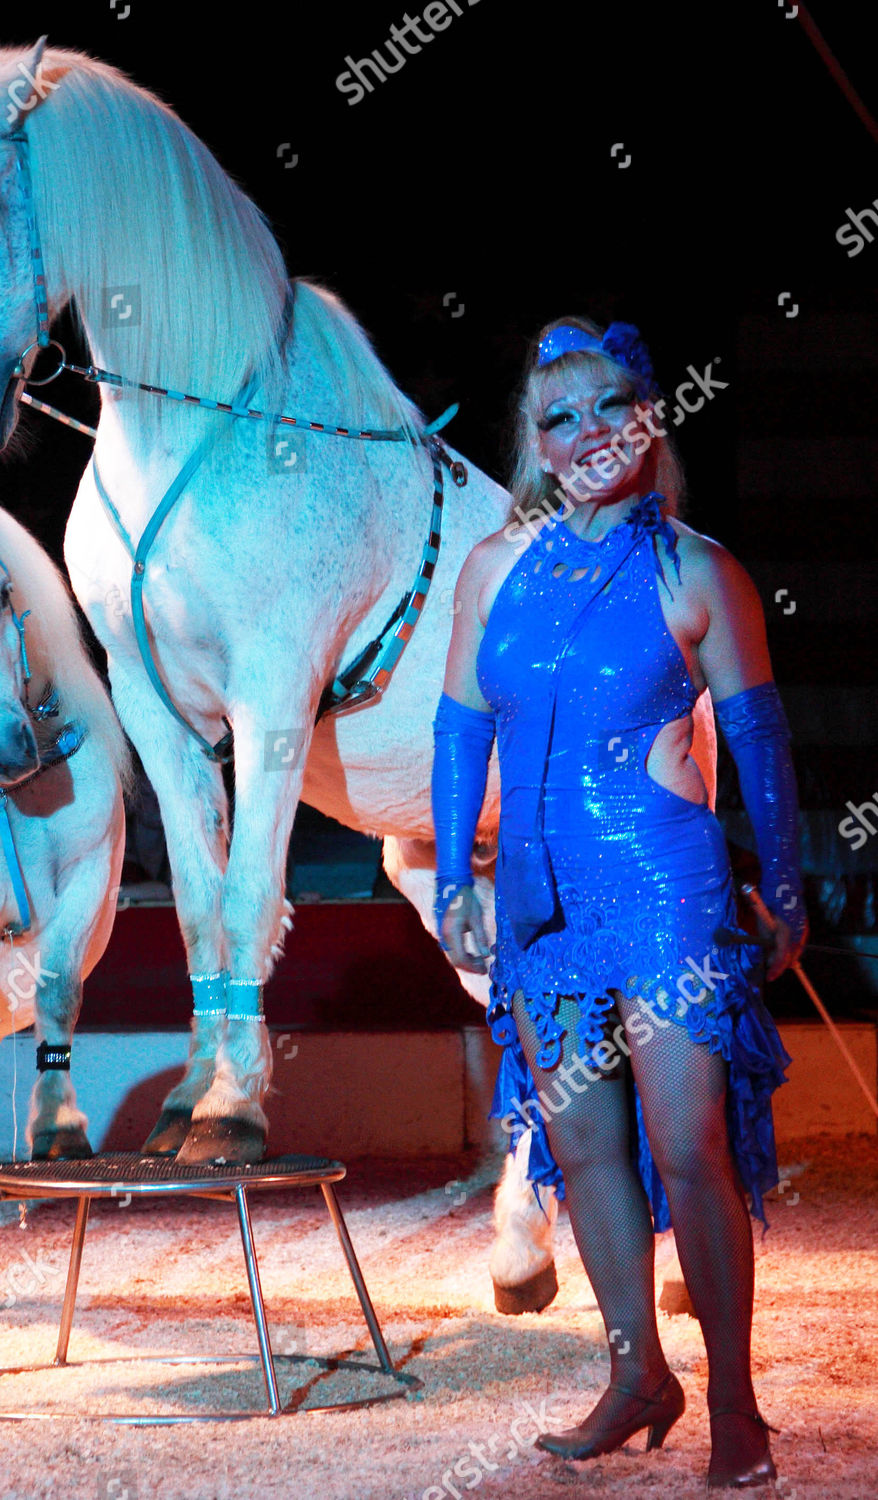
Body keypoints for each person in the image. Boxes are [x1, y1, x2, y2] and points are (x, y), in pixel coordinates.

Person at [431, 316, 805, 1489]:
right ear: (535, 446)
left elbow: (755, 738)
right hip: (539, 904)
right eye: (560, 417)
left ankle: (736, 1406)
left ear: (648, 421)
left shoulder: (697, 570)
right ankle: (637, 1371)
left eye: (611, 408)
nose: (588, 433)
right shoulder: (492, 570)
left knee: (690, 1150)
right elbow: (458, 731)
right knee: (584, 1150)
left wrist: (785, 881)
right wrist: (453, 877)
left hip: (662, 893)